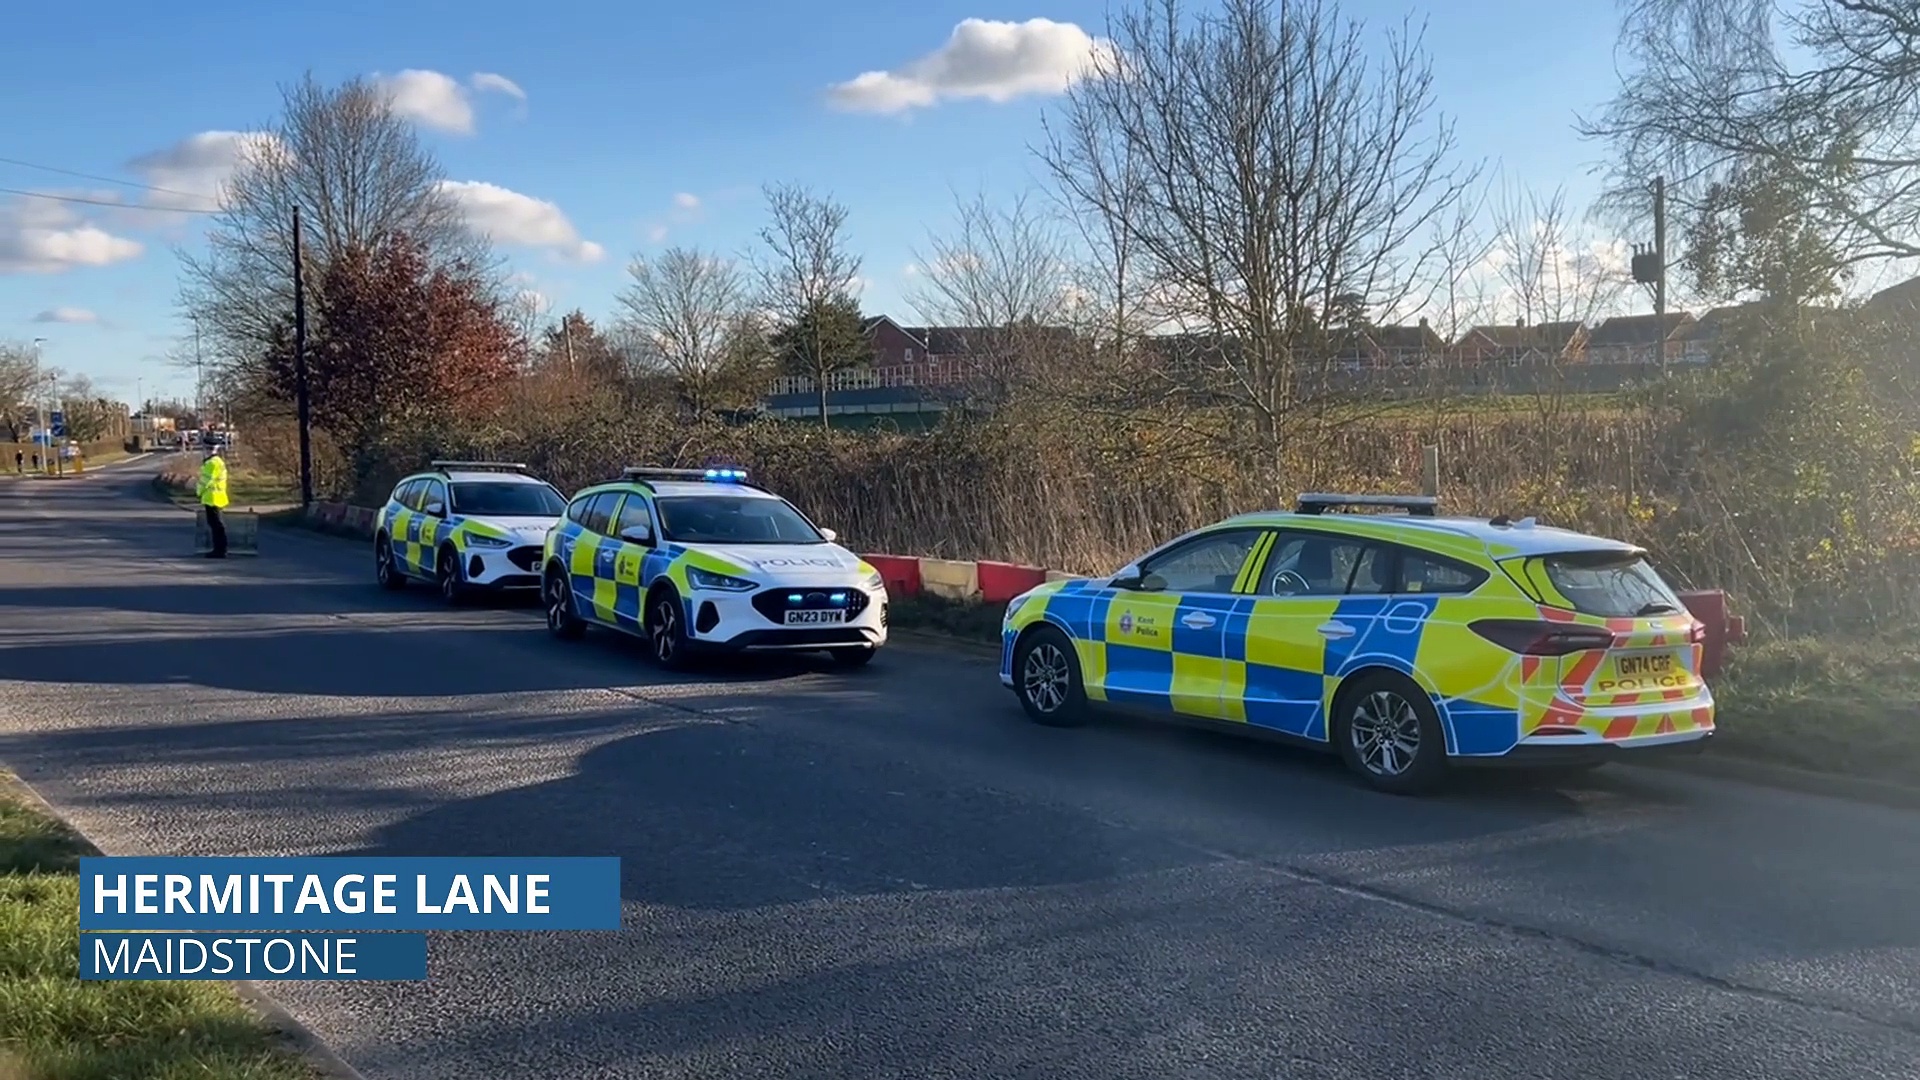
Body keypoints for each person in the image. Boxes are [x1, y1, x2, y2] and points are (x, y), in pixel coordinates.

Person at [197, 444, 230, 558]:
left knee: (216, 525)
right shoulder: (218, 461)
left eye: (206, 449)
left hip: (212, 497)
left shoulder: (212, 463)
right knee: (217, 525)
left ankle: (220, 550)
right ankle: (220, 549)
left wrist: (198, 491)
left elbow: (206, 481)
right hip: (217, 497)